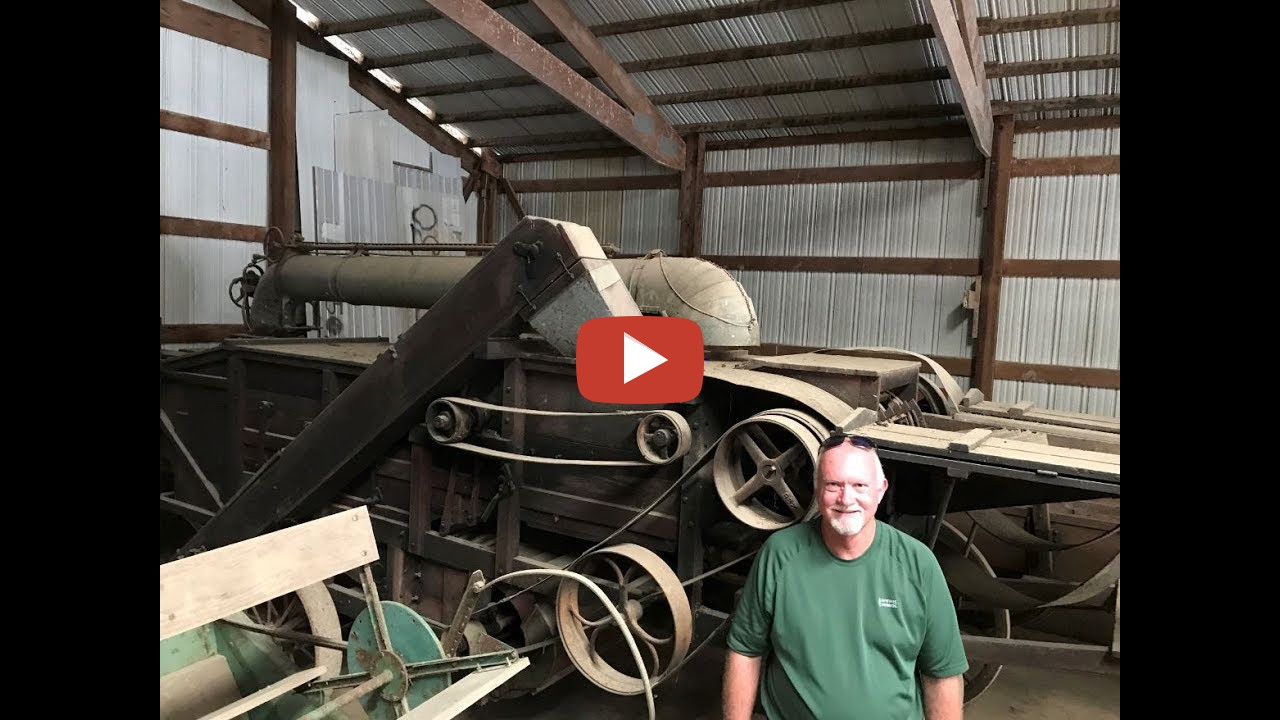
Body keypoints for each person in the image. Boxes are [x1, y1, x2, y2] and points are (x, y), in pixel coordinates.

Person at [722, 433, 968, 720]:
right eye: (833, 485)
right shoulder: (780, 555)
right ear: (817, 489)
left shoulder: (918, 564)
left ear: (880, 489)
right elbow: (744, 651)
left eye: (859, 485)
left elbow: (943, 674)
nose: (846, 499)